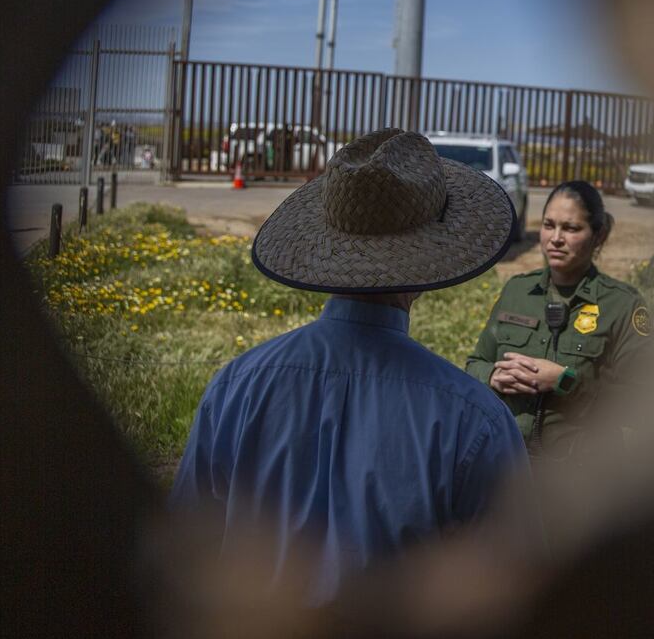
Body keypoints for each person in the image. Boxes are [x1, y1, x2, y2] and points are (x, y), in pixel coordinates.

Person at [170, 128, 531, 603]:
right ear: (428, 267)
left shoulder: (238, 386)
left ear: (325, 246)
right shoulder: (473, 419)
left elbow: (186, 552)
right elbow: (510, 588)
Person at [465, 181, 654, 463]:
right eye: (548, 225)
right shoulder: (517, 291)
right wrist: (492, 376)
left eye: (571, 228)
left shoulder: (622, 305)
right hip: (506, 465)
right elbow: (475, 364)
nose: (555, 238)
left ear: (599, 235)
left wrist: (565, 382)